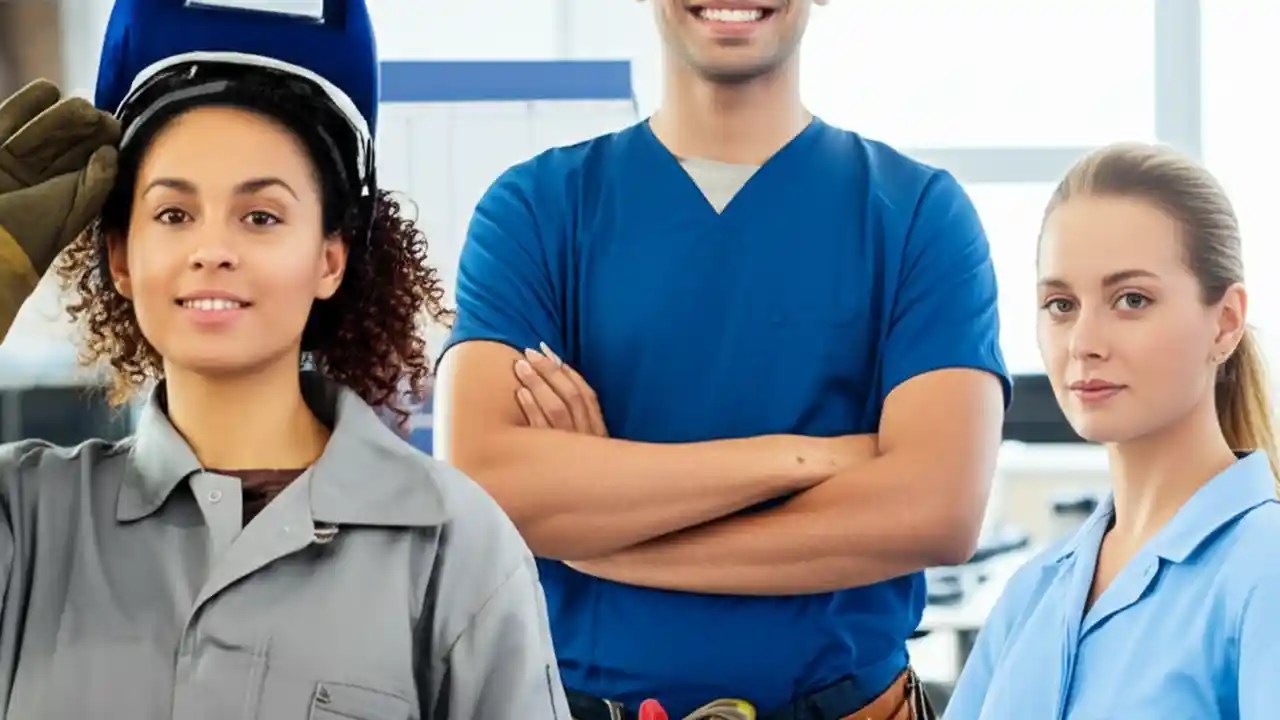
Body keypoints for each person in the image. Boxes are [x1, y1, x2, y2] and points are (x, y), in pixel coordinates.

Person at [435, 0, 1011, 717]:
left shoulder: (919, 213)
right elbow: (486, 486)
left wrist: (604, 533)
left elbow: (937, 511)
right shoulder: (535, 209)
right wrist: (798, 457)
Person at [0, 0, 571, 717]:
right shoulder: (26, 517)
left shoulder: (455, 547)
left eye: (261, 216)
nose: (213, 249)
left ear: (330, 259)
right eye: (174, 214)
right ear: (121, 257)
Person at [943, 144, 1280, 719]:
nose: (1083, 342)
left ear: (1225, 323)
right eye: (1061, 304)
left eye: (1131, 300)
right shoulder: (1032, 592)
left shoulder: (1263, 569)